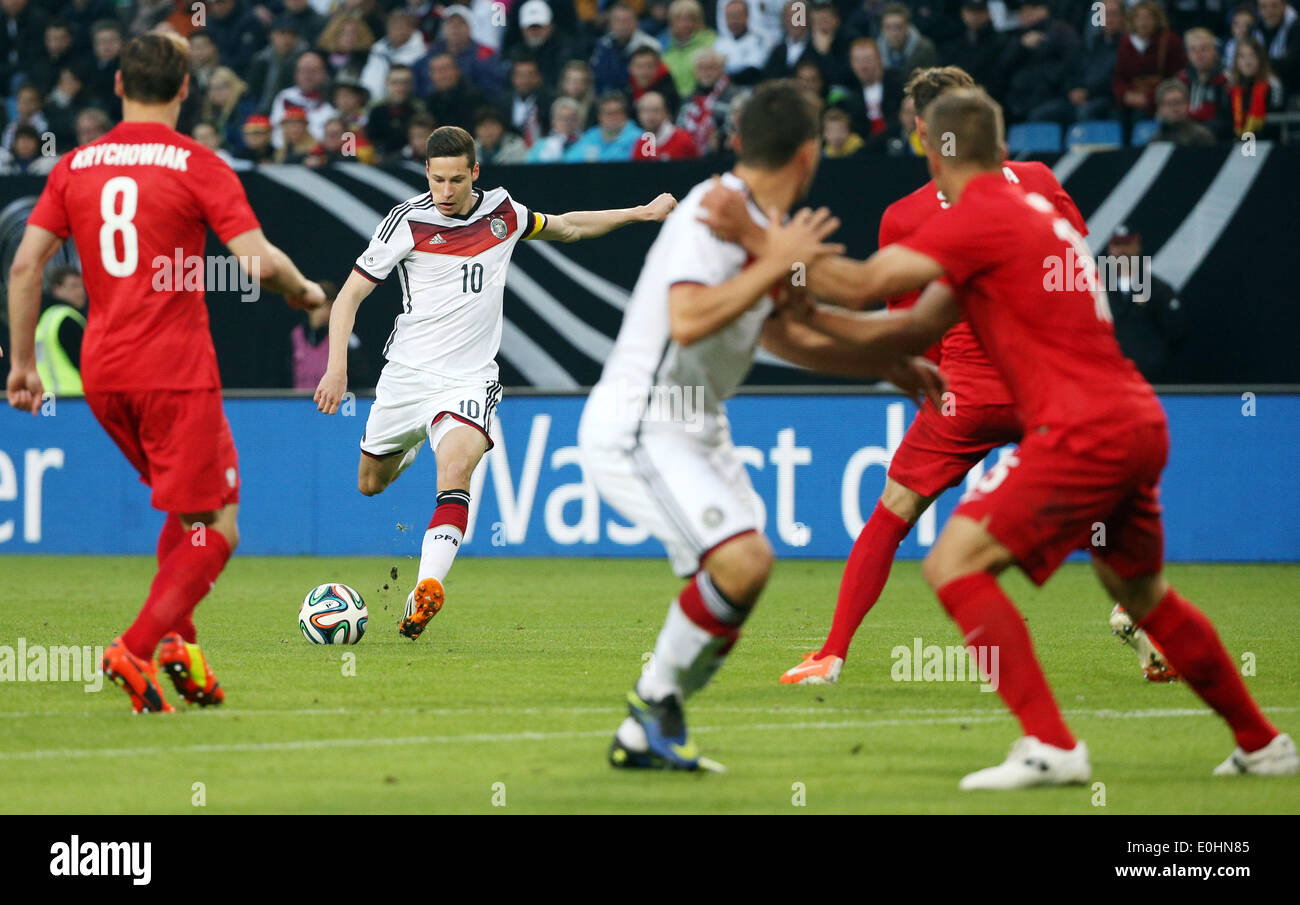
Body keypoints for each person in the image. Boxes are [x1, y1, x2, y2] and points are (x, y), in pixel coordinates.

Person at [765, 87, 1296, 786]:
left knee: (953, 562)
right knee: (1142, 594)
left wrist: (771, 251)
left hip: (1083, 425)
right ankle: (1264, 743)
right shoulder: (1040, 204)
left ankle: (1052, 744)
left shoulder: (976, 211)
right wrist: (804, 321)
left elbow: (865, 284)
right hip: (1135, 414)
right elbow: (910, 329)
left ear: (935, 146)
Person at [700, 65, 1173, 688]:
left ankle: (832, 653)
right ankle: (1142, 617)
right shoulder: (1037, 182)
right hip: (1049, 389)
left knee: (894, 515)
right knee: (1097, 508)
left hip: (967, 391)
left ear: (924, 132)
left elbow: (899, 320)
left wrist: (778, 264)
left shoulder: (911, 215)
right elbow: (1067, 267)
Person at [578, 80, 926, 772]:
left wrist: (883, 361)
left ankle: (652, 717)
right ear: (808, 152)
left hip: (697, 427)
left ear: (741, 139)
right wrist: (774, 262)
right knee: (741, 562)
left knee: (746, 572)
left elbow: (788, 334)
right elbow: (688, 318)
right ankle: (652, 709)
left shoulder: (761, 226)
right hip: (641, 423)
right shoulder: (716, 211)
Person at [6, 32, 325, 714]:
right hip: (173, 370)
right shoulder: (197, 164)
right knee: (221, 526)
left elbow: (27, 265)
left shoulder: (76, 166)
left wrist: (24, 365)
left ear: (118, 87)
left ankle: (181, 646)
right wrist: (304, 293)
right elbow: (259, 264)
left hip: (103, 371)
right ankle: (137, 644)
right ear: (186, 89)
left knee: (190, 510)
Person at [312, 125, 676, 642]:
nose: (445, 191)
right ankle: (412, 445)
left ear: (474, 173)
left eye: (456, 180)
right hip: (407, 378)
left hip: (469, 378)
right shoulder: (406, 223)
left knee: (456, 467)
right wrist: (336, 367)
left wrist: (640, 213)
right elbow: (347, 298)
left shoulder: (504, 214)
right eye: (436, 179)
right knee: (370, 483)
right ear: (426, 175)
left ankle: (426, 589)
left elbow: (569, 227)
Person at [33, 265, 87, 397]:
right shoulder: (67, 319)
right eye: (73, 286)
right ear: (57, 289)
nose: (80, 291)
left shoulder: (43, 320)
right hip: (75, 398)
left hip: (46, 398)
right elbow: (85, 363)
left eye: (82, 286)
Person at [1152, 77, 1216, 144]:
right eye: (1169, 104)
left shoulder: (1201, 136)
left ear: (1187, 104)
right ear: (1160, 107)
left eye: (1178, 102)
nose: (1175, 108)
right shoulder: (1154, 138)